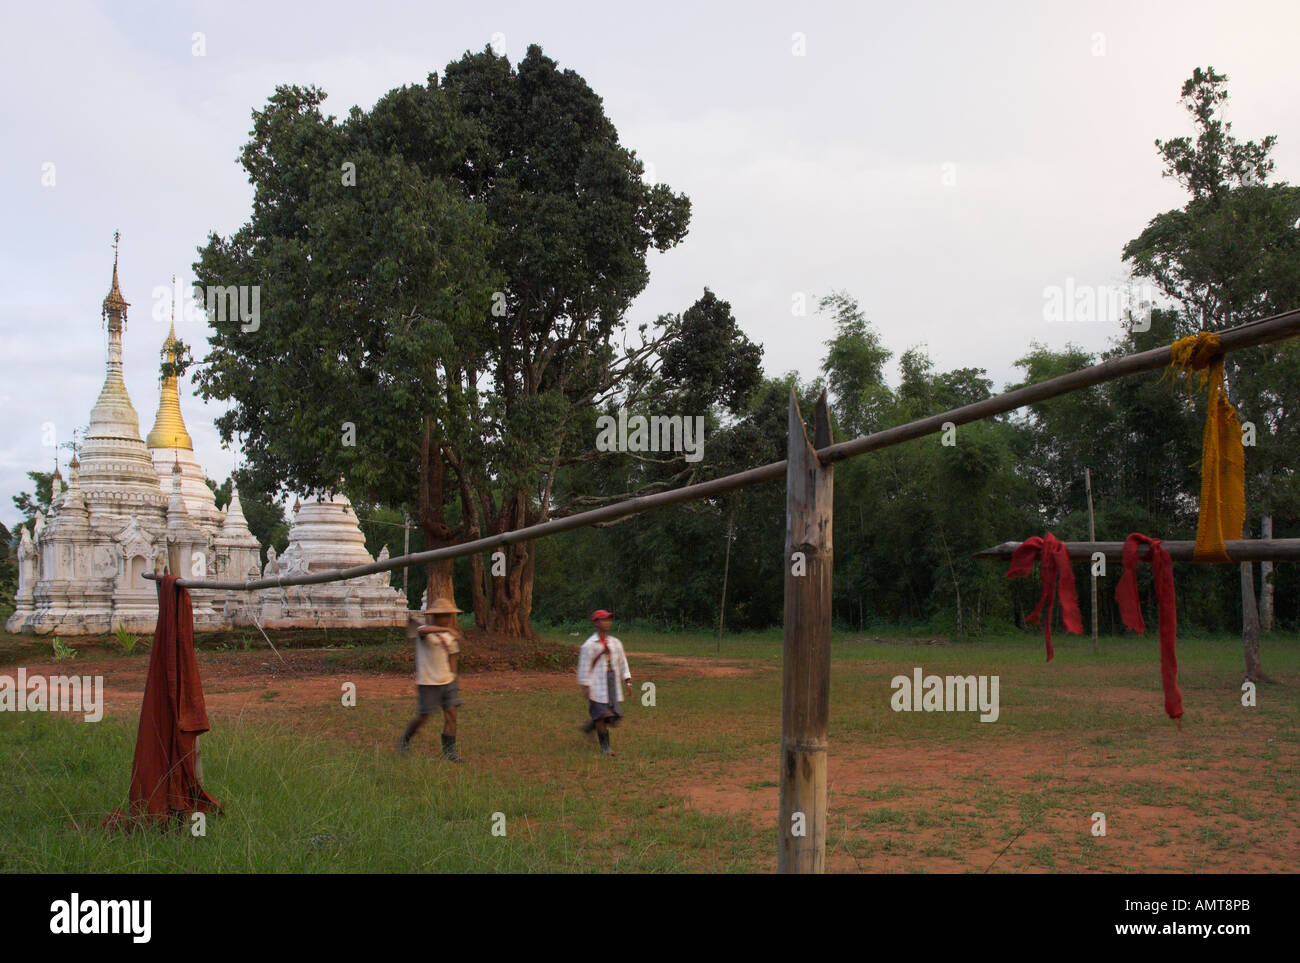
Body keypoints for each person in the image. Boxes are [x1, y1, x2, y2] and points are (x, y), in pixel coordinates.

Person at [399, 597, 465, 762]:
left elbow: (453, 659)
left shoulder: (450, 637)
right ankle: (405, 738)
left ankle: (449, 753)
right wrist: (447, 631)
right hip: (428, 682)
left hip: (447, 681)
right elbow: (421, 631)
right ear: (435, 616)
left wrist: (454, 680)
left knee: (451, 714)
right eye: (443, 615)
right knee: (424, 716)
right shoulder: (424, 630)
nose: (447, 618)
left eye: (449, 615)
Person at [577, 609, 632, 756]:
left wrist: (628, 681)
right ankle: (605, 747)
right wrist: (585, 686)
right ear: (595, 623)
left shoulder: (615, 643)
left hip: (611, 682)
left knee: (613, 714)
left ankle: (590, 726)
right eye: (603, 619)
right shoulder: (589, 645)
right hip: (596, 684)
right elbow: (584, 667)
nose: (607, 622)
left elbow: (622, 662)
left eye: (608, 619)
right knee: (601, 715)